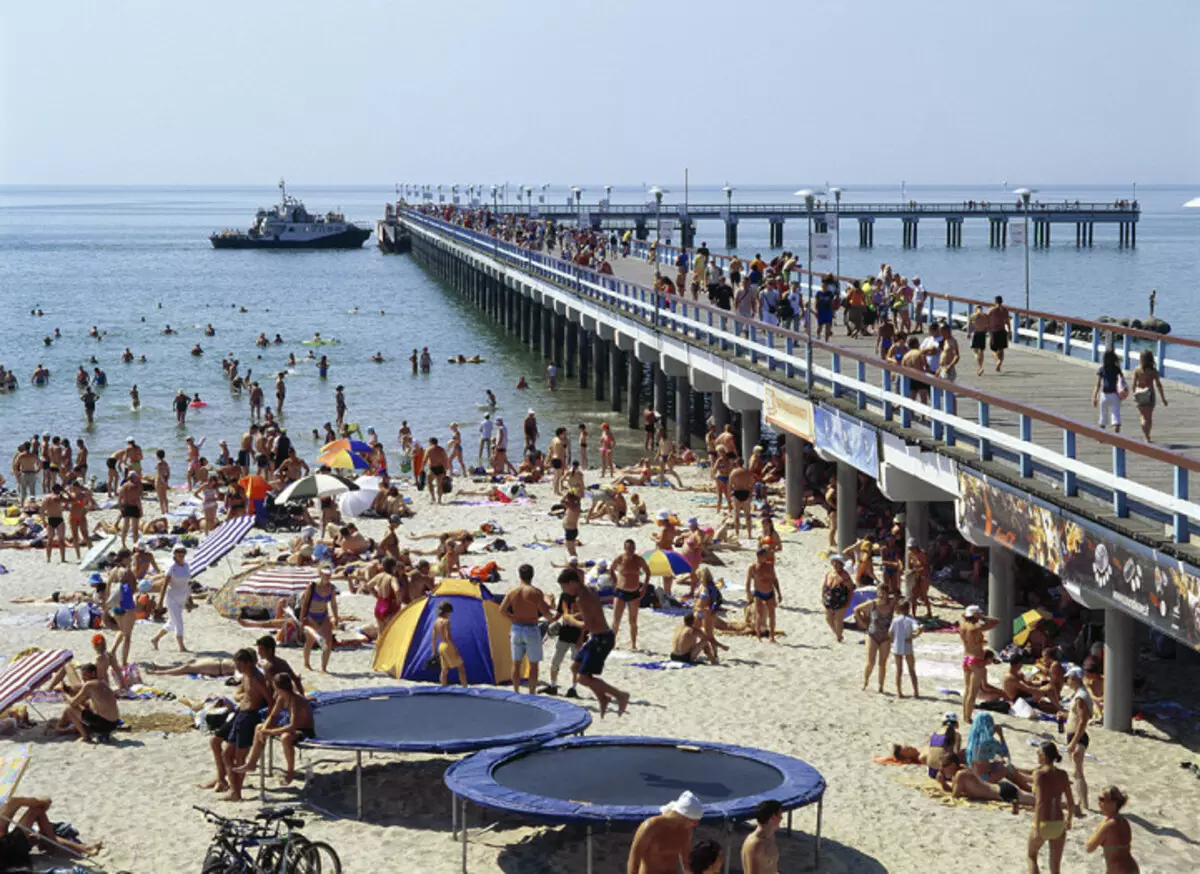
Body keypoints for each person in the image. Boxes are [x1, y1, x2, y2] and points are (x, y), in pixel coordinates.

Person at [201, 648, 269, 801]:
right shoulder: (245, 675)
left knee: (239, 757)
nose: (237, 668)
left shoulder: (257, 679)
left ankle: (236, 792)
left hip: (250, 717)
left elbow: (269, 700)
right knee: (226, 753)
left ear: (247, 663)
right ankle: (228, 785)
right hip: (240, 714)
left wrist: (267, 721)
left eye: (239, 665)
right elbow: (240, 694)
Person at [560, 571, 629, 717]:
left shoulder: (580, 598)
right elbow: (593, 611)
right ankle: (603, 698)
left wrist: (570, 620)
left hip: (601, 639)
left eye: (564, 587)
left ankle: (621, 695)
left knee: (583, 678)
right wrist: (575, 616)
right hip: (601, 637)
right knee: (575, 667)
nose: (564, 591)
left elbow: (588, 625)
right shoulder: (590, 590)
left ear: (572, 583)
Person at [232, 673, 314, 785]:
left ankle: (290, 772)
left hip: (304, 730)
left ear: (278, 687)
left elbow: (293, 725)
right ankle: (252, 763)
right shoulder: (281, 698)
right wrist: (264, 729)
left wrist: (269, 731)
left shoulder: (296, 700)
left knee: (286, 737)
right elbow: (273, 716)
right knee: (259, 727)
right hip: (292, 727)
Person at [498, 564, 552, 694]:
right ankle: (532, 692)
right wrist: (550, 604)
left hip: (516, 628)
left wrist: (513, 618)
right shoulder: (535, 592)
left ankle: (516, 691)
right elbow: (546, 614)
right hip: (531, 628)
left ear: (519, 575)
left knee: (516, 663)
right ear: (532, 575)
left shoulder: (513, 591)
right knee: (534, 664)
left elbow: (502, 610)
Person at [0, 795, 103, 858]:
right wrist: (44, 801)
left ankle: (52, 842)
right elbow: (46, 802)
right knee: (35, 809)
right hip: (8, 852)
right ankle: (81, 848)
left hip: (6, 844)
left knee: (37, 814)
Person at [627, 791, 702, 874]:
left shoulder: (686, 830)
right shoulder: (650, 827)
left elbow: (686, 861)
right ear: (683, 816)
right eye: (694, 821)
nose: (696, 824)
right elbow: (634, 858)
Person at [1029, 741, 1075, 874]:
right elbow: (1070, 802)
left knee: (1031, 857)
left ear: (1044, 756)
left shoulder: (1039, 774)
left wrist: (1037, 828)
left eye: (1038, 753)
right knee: (1055, 867)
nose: (1037, 755)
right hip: (1059, 824)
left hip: (1043, 822)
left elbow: (1040, 803)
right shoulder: (1063, 775)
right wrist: (1069, 820)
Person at [57, 662, 120, 742]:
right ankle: (70, 728)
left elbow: (73, 703)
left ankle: (85, 737)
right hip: (114, 723)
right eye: (82, 675)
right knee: (86, 704)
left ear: (93, 673)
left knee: (70, 709)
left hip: (104, 725)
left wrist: (64, 694)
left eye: (85, 675)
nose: (83, 678)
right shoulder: (103, 682)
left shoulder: (89, 685)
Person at [1061, 665, 1094, 815]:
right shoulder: (1078, 694)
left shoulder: (1081, 696)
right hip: (1074, 735)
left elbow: (1082, 721)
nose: (1067, 681)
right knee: (1075, 772)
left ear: (1074, 679)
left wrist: (1074, 742)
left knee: (1078, 772)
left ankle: (1085, 805)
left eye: (1068, 678)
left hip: (1078, 736)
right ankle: (1082, 801)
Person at [854, 585, 899, 693]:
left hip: (886, 637)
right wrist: (862, 624)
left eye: (885, 592)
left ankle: (881, 686)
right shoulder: (873, 603)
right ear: (878, 592)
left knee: (882, 663)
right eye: (880, 592)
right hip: (872, 635)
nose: (883, 595)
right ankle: (865, 682)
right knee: (870, 662)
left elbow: (904, 606)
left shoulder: (892, 603)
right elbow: (856, 609)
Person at [959, 605, 1000, 722]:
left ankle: (965, 716)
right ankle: (968, 718)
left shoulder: (962, 626)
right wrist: (982, 616)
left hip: (966, 658)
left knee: (967, 690)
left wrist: (971, 615)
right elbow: (996, 621)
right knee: (973, 692)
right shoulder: (976, 627)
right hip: (976, 659)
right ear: (975, 615)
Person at [546, 571, 583, 697]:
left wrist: (582, 638)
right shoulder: (564, 596)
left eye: (563, 586)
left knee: (575, 663)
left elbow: (586, 617)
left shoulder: (582, 597)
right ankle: (553, 685)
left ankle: (573, 688)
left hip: (578, 635)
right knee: (556, 660)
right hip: (564, 633)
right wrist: (549, 622)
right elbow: (559, 614)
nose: (562, 589)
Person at [1086, 787, 1139, 874]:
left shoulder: (1109, 825)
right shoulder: (1123, 821)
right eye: (1099, 799)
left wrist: (1100, 827)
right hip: (1131, 868)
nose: (1099, 803)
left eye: (1102, 799)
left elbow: (1089, 848)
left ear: (1114, 802)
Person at [610, 538, 650, 650]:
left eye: (632, 548)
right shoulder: (620, 558)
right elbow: (611, 569)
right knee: (616, 620)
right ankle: (612, 642)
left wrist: (644, 588)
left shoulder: (639, 560)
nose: (630, 550)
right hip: (620, 592)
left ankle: (633, 644)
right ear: (625, 548)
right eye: (628, 548)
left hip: (634, 592)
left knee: (633, 620)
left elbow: (648, 572)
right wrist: (614, 582)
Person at [150, 546, 191, 652]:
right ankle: (181, 646)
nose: (181, 554)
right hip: (172, 598)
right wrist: (160, 602)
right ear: (174, 554)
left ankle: (155, 639)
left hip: (182, 597)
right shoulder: (172, 568)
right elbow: (164, 585)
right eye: (178, 553)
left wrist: (189, 599)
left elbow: (187, 584)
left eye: (183, 552)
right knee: (179, 622)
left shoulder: (186, 566)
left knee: (172, 622)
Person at [299, 568, 339, 673]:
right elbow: (305, 603)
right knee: (311, 641)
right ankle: (306, 663)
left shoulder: (332, 588)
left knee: (329, 642)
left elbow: (333, 604)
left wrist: (336, 617)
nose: (327, 577)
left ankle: (324, 668)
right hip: (311, 615)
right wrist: (302, 618)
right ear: (320, 574)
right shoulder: (313, 586)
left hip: (324, 615)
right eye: (325, 575)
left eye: (329, 575)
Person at [745, 547, 782, 642]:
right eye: (765, 555)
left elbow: (774, 580)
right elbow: (748, 582)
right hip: (758, 593)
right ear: (759, 556)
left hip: (770, 591)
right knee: (759, 614)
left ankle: (772, 636)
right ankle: (758, 636)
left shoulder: (770, 565)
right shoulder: (753, 568)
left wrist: (779, 593)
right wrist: (748, 594)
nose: (767, 557)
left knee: (772, 614)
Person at [1130, 348, 1167, 441]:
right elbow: (1159, 385)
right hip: (1150, 395)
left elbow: (1133, 384)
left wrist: (1134, 394)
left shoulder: (1137, 370)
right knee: (1149, 417)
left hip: (1140, 394)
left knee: (1143, 415)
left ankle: (1144, 429)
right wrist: (1163, 398)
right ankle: (1147, 435)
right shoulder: (1153, 371)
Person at [889, 600, 922, 698]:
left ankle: (899, 692)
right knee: (912, 670)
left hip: (897, 646)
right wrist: (912, 637)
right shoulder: (911, 620)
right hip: (907, 646)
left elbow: (890, 633)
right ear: (908, 609)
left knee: (899, 671)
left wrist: (893, 640)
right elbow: (919, 630)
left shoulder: (895, 620)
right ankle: (916, 692)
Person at [741, 799, 783, 874]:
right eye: (780, 816)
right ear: (773, 817)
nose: (782, 818)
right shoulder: (755, 844)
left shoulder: (770, 836)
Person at [430, 601, 467, 686]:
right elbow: (448, 636)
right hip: (447, 645)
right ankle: (465, 687)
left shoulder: (436, 622)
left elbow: (433, 639)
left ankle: (443, 686)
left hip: (441, 646)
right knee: (461, 667)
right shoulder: (446, 621)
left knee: (444, 669)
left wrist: (434, 651)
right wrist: (455, 649)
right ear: (447, 612)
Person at [1092, 348, 1126, 433]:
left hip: (1104, 394)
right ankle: (1116, 437)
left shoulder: (1102, 369)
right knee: (1116, 416)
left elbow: (1098, 384)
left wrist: (1094, 397)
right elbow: (1121, 381)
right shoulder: (1117, 369)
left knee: (1103, 417)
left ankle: (1101, 437)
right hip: (1115, 394)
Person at [821, 554, 854, 643]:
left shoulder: (845, 576)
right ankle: (837, 634)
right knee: (828, 618)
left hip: (841, 600)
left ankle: (839, 637)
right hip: (829, 599)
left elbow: (851, 590)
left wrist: (848, 602)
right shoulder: (829, 573)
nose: (836, 565)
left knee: (838, 620)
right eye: (835, 563)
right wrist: (822, 597)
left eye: (838, 563)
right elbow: (824, 585)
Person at [987, 295, 1010, 372]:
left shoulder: (991, 310)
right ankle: (1000, 364)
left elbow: (986, 319)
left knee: (993, 349)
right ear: (1002, 301)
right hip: (1002, 331)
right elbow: (1007, 322)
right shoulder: (1005, 310)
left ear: (995, 302)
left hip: (994, 331)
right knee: (1001, 349)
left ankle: (998, 361)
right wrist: (1009, 331)